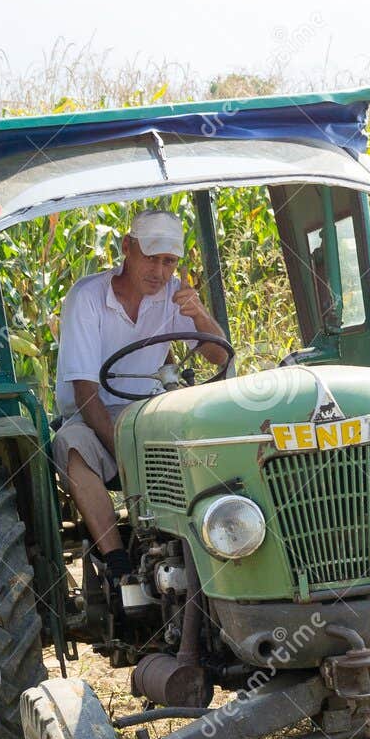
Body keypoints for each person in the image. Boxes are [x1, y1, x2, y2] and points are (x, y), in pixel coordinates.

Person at [52, 210, 229, 582]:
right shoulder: (87, 298)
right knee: (72, 448)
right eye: (151, 258)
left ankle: (213, 548)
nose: (160, 272)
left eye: (169, 262)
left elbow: (220, 355)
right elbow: (85, 393)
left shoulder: (172, 295)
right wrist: (128, 455)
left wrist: (198, 315)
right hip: (94, 416)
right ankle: (118, 563)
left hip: (150, 413)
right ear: (127, 249)